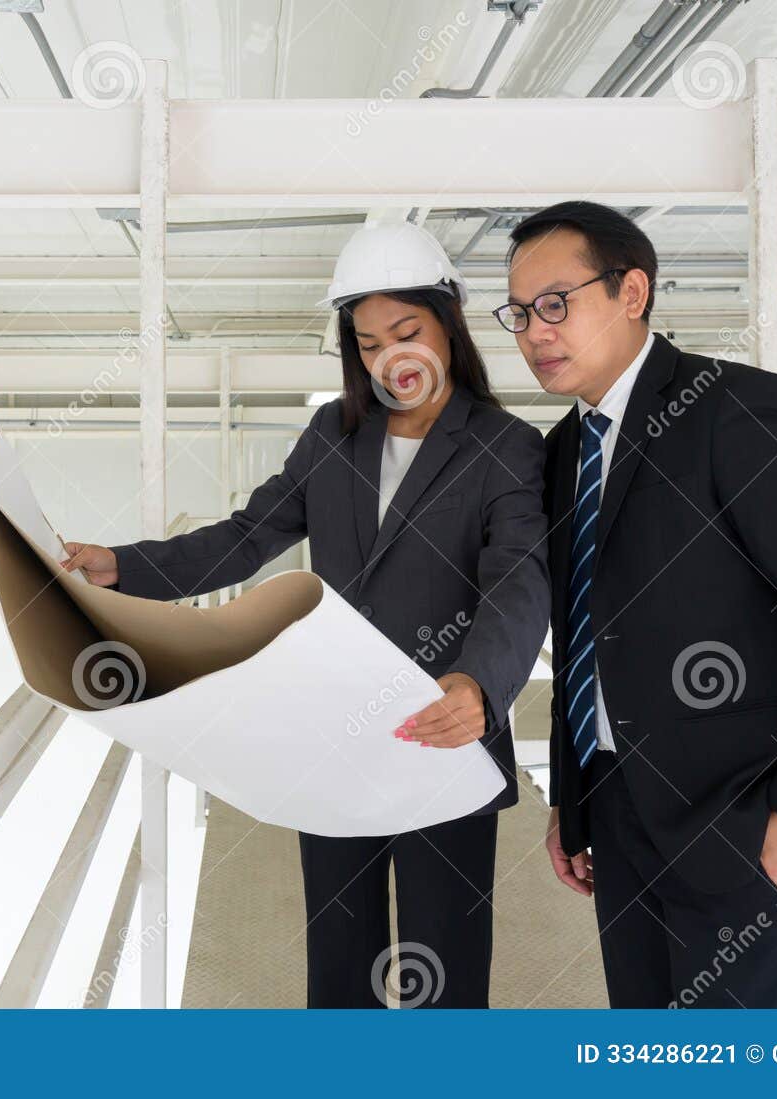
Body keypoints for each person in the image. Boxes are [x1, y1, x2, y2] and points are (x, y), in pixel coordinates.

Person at [60, 221, 550, 1008]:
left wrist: (482, 686)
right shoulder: (335, 435)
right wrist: (124, 566)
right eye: (366, 342)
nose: (390, 356)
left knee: (448, 968)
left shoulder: (507, 447)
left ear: (449, 321)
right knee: (338, 958)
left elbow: (518, 582)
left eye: (407, 331)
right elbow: (248, 535)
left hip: (443, 739)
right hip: (340, 741)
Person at [504, 201, 777, 1008]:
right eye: (518, 313)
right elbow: (585, 636)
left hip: (747, 823)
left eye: (556, 303)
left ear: (631, 291)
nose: (534, 331)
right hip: (617, 818)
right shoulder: (560, 452)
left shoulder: (735, 410)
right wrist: (572, 801)